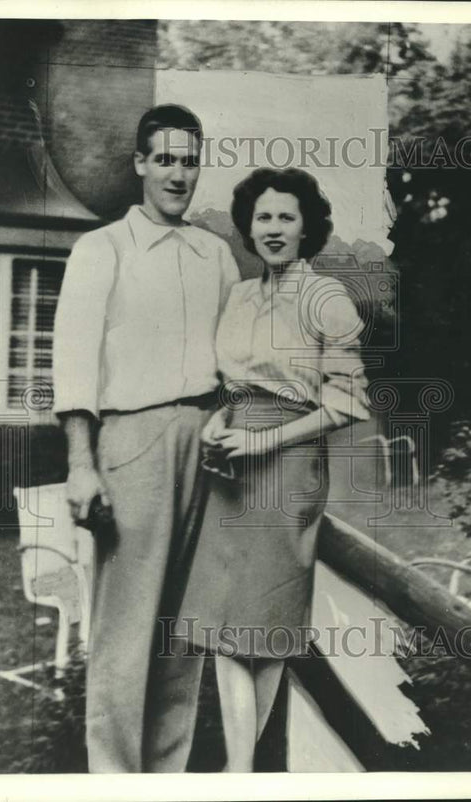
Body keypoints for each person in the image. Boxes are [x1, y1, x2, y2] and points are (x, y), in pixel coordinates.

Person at [52, 104, 240, 773]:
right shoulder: (101, 250)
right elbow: (74, 366)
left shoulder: (215, 254)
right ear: (140, 163)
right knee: (126, 630)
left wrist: (232, 417)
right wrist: (82, 465)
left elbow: (236, 358)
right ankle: (113, 776)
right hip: (131, 442)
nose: (178, 173)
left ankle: (165, 777)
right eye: (165, 158)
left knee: (182, 633)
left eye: (189, 160)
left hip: (207, 444)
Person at [174, 167, 371, 771]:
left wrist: (266, 443)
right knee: (229, 629)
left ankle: (241, 771)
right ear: (248, 227)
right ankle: (244, 769)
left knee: (268, 627)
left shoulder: (326, 297)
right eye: (263, 217)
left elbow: (347, 403)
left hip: (288, 467)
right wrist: (219, 421)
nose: (274, 228)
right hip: (232, 465)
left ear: (307, 226)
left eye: (287, 217)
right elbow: (231, 385)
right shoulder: (239, 295)